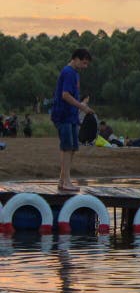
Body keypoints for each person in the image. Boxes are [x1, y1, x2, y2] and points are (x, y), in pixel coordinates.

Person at [51, 48, 94, 192]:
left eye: (87, 64)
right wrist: (82, 107)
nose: (85, 66)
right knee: (67, 147)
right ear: (75, 59)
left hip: (71, 116)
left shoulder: (75, 74)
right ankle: (66, 182)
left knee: (72, 148)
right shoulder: (68, 72)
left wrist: (80, 108)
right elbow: (65, 95)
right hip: (63, 115)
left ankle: (63, 180)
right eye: (83, 62)